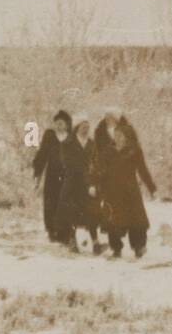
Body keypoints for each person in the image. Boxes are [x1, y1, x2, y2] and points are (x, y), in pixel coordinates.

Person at [89, 109, 156, 259]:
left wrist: (152, 188)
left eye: (121, 135)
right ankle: (116, 249)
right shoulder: (108, 151)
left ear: (127, 136)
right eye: (116, 135)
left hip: (131, 190)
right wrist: (93, 184)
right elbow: (98, 169)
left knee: (136, 220)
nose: (118, 137)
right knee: (113, 221)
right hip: (112, 190)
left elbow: (143, 170)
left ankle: (139, 247)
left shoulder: (134, 151)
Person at [55, 114, 102, 254]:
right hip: (72, 183)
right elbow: (66, 162)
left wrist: (93, 181)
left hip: (88, 184)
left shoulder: (92, 144)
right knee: (71, 213)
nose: (85, 130)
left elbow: (96, 163)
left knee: (92, 212)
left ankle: (95, 243)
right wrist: (84, 169)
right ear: (77, 128)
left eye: (87, 127)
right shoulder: (67, 143)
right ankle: (72, 241)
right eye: (83, 127)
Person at [32, 110, 71, 243]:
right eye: (56, 123)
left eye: (61, 123)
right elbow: (42, 154)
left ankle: (64, 233)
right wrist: (37, 172)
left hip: (67, 176)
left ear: (66, 124)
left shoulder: (71, 137)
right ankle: (52, 231)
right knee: (51, 202)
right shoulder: (49, 136)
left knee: (65, 203)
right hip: (52, 175)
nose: (58, 126)